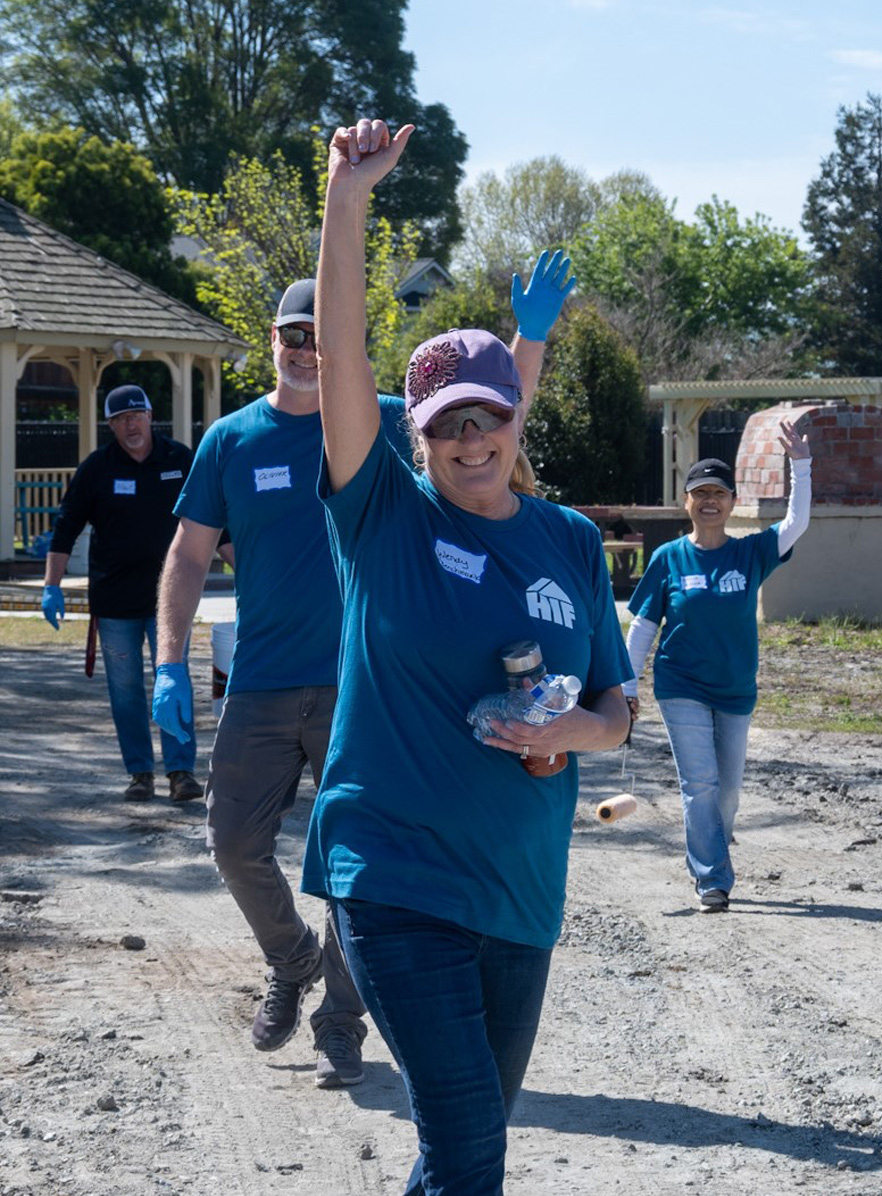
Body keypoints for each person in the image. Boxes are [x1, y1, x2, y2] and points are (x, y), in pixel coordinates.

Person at [152, 245, 572, 1093]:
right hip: (263, 680)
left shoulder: (375, 423)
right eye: (293, 334)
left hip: (363, 690)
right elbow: (189, 556)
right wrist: (167, 662)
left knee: (357, 868)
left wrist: (527, 341)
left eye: (320, 334)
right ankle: (291, 958)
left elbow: (488, 422)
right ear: (272, 339)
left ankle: (340, 1024)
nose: (308, 348)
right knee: (233, 843)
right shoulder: (231, 441)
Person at [305, 117, 631, 1193]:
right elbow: (342, 353)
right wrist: (347, 197)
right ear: (418, 434)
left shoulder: (568, 541)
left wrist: (574, 730)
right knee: (468, 1151)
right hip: (395, 874)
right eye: (447, 423)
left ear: (516, 416)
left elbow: (617, 710)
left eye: (489, 416)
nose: (470, 438)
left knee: (465, 1144)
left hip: (520, 891)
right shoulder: (383, 518)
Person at [622, 438, 812, 912]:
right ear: (686, 501)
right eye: (700, 493)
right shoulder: (668, 557)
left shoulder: (751, 553)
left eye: (719, 493)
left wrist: (802, 466)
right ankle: (711, 878)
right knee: (700, 783)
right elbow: (643, 625)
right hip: (680, 684)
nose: (710, 501)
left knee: (727, 792)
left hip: (735, 689)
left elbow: (797, 523)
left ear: (732, 502)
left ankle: (713, 843)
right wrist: (626, 685)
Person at [41, 384, 204, 803]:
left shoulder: (179, 460)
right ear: (110, 426)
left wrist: (245, 570)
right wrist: (51, 585)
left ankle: (181, 772)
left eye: (136, 416)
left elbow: (213, 518)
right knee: (126, 690)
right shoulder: (97, 468)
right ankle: (140, 773)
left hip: (171, 600)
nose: (131, 425)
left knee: (173, 680)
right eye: (120, 419)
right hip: (114, 602)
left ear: (150, 416)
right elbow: (65, 528)